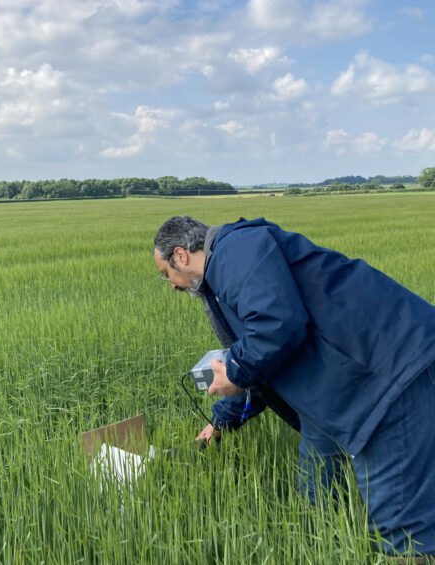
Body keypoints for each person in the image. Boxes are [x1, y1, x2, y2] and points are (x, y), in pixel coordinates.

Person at [153, 215, 435, 558]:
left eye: (166, 275)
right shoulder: (226, 272)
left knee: (400, 525)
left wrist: (236, 372)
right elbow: (264, 358)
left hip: (387, 377)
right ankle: (327, 551)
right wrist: (222, 420)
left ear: (180, 255)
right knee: (317, 487)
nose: (171, 285)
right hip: (337, 389)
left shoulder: (235, 250)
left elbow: (276, 324)